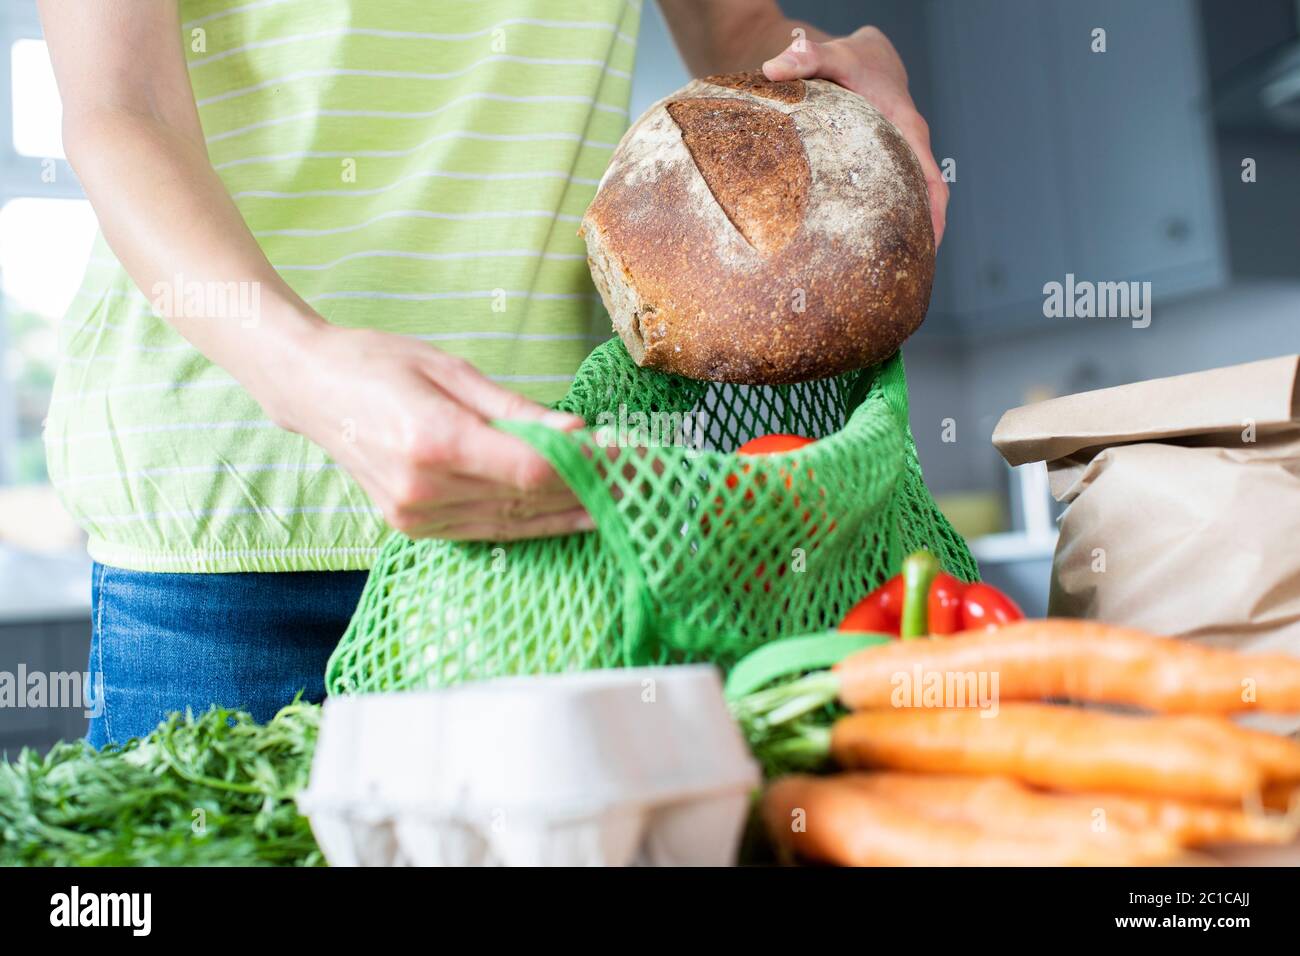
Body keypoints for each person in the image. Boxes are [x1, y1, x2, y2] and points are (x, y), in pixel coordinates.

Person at [38, 0, 947, 745]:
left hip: (552, 527)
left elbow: (733, 24)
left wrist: (813, 58)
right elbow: (123, 105)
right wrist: (300, 369)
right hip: (234, 527)